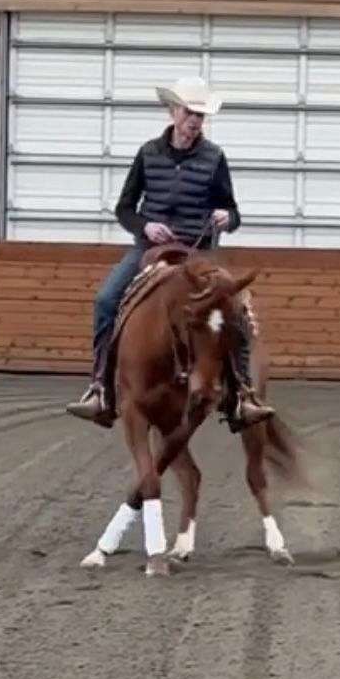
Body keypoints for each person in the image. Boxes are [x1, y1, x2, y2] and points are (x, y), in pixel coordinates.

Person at [66, 75, 274, 430]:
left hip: (198, 252)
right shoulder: (148, 153)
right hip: (151, 249)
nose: (195, 121)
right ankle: (100, 386)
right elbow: (125, 208)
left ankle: (242, 394)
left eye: (201, 116)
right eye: (190, 112)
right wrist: (144, 226)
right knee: (106, 300)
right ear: (173, 111)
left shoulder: (214, 158)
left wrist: (227, 218)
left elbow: (233, 211)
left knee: (235, 308)